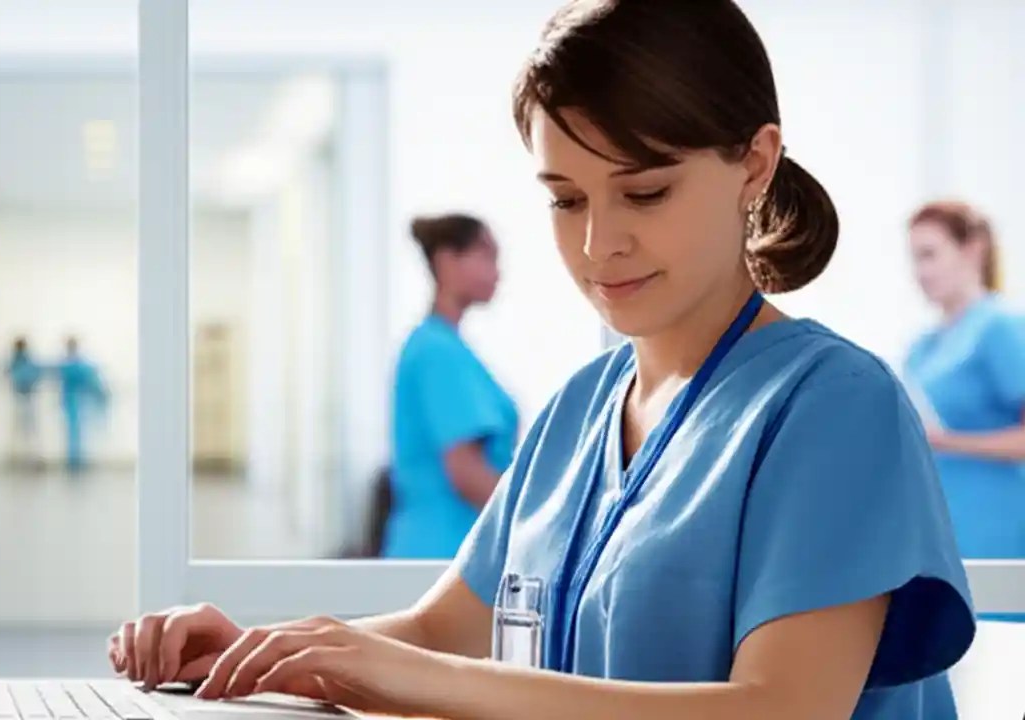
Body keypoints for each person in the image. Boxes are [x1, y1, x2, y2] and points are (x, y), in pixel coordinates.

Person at [107, 2, 974, 717]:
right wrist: (265, 653)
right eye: (565, 200)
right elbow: (443, 630)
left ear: (755, 162)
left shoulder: (836, 406)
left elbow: (779, 709)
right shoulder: (580, 407)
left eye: (645, 191)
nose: (600, 244)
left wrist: (405, 678)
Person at [904, 201, 1025, 621]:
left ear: (973, 249)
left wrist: (944, 440)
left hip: (995, 530)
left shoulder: (1001, 329)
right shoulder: (922, 349)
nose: (920, 271)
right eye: (913, 258)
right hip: (940, 537)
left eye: (929, 254)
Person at [384, 214, 519, 559]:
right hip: (441, 550)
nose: (497, 271)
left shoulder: (442, 346)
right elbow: (467, 473)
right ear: (446, 261)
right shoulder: (437, 351)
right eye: (486, 255)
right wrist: (541, 523)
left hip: (442, 547)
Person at [58, 336, 108, 475]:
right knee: (75, 433)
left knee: (76, 433)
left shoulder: (72, 364)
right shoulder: (74, 365)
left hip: (75, 402)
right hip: (74, 402)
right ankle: (74, 462)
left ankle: (75, 462)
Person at [6, 336, 44, 470]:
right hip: (25, 397)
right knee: (28, 429)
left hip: (24, 397)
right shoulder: (19, 361)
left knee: (25, 429)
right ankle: (28, 460)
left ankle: (26, 460)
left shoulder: (18, 361)